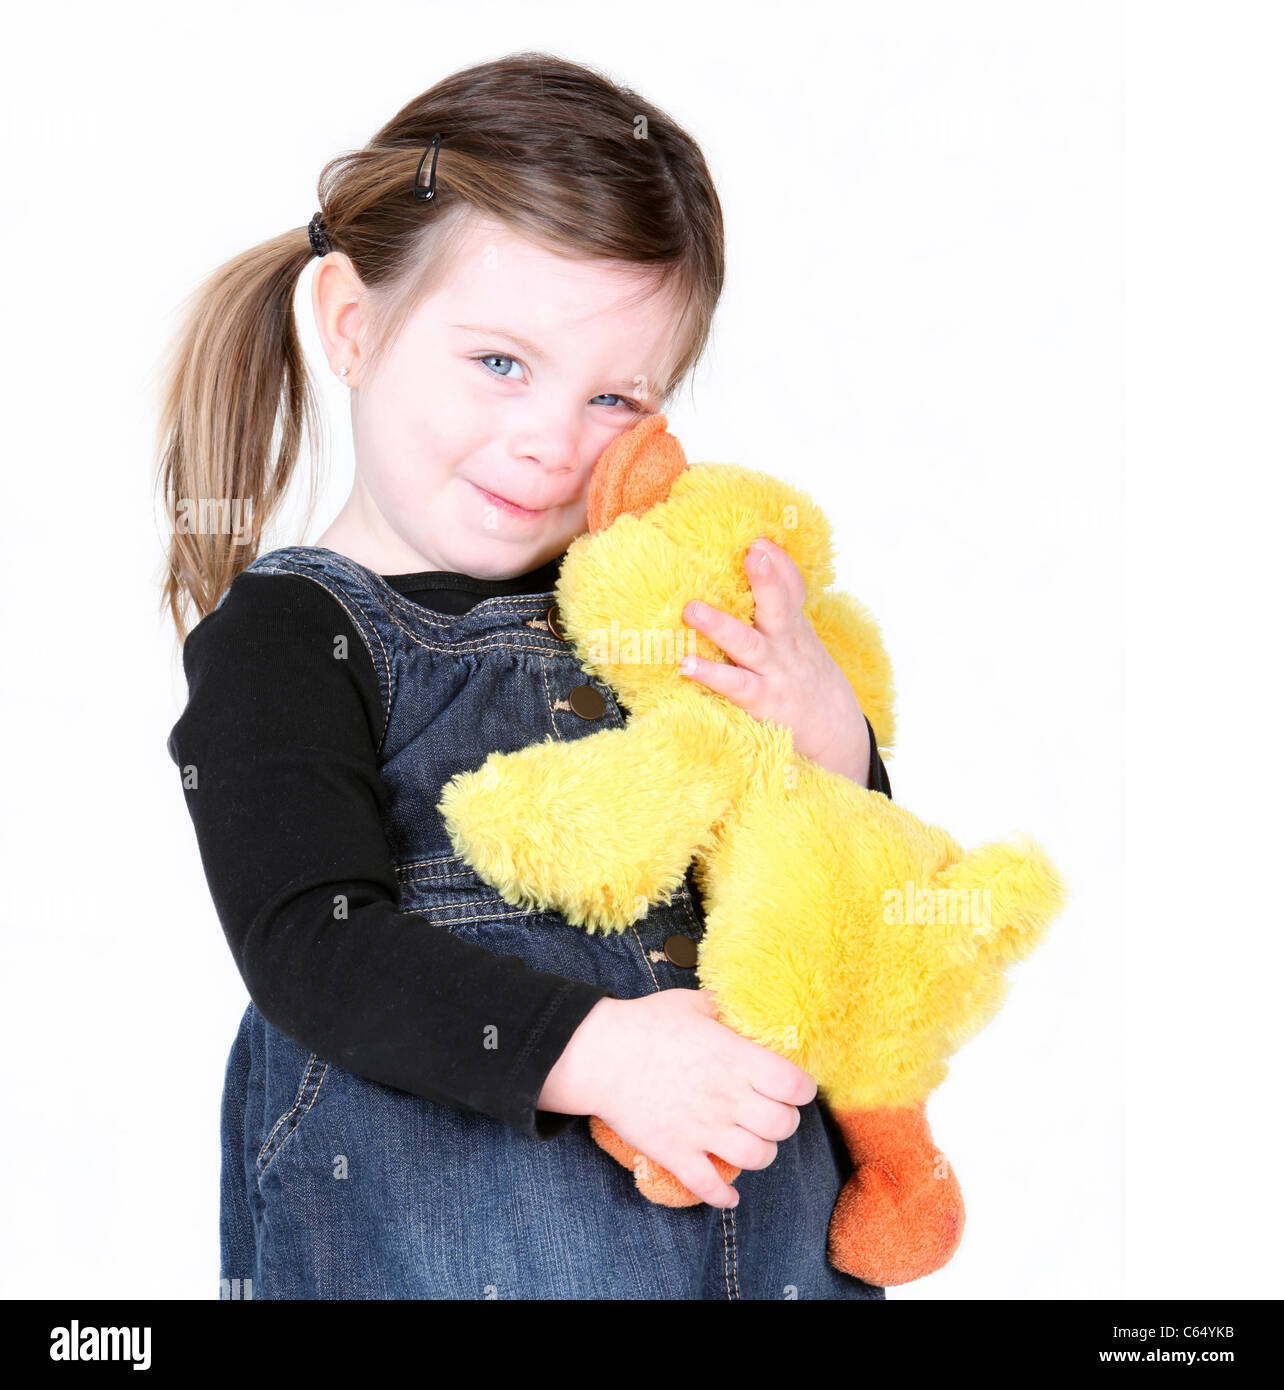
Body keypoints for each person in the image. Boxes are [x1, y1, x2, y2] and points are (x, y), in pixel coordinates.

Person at [158, 51, 891, 1300]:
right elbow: (310, 948)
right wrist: (598, 1052)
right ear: (352, 322)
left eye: (614, 395)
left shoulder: (657, 618)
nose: (551, 439)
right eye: (500, 362)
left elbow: (828, 887)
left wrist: (835, 743)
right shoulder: (291, 636)